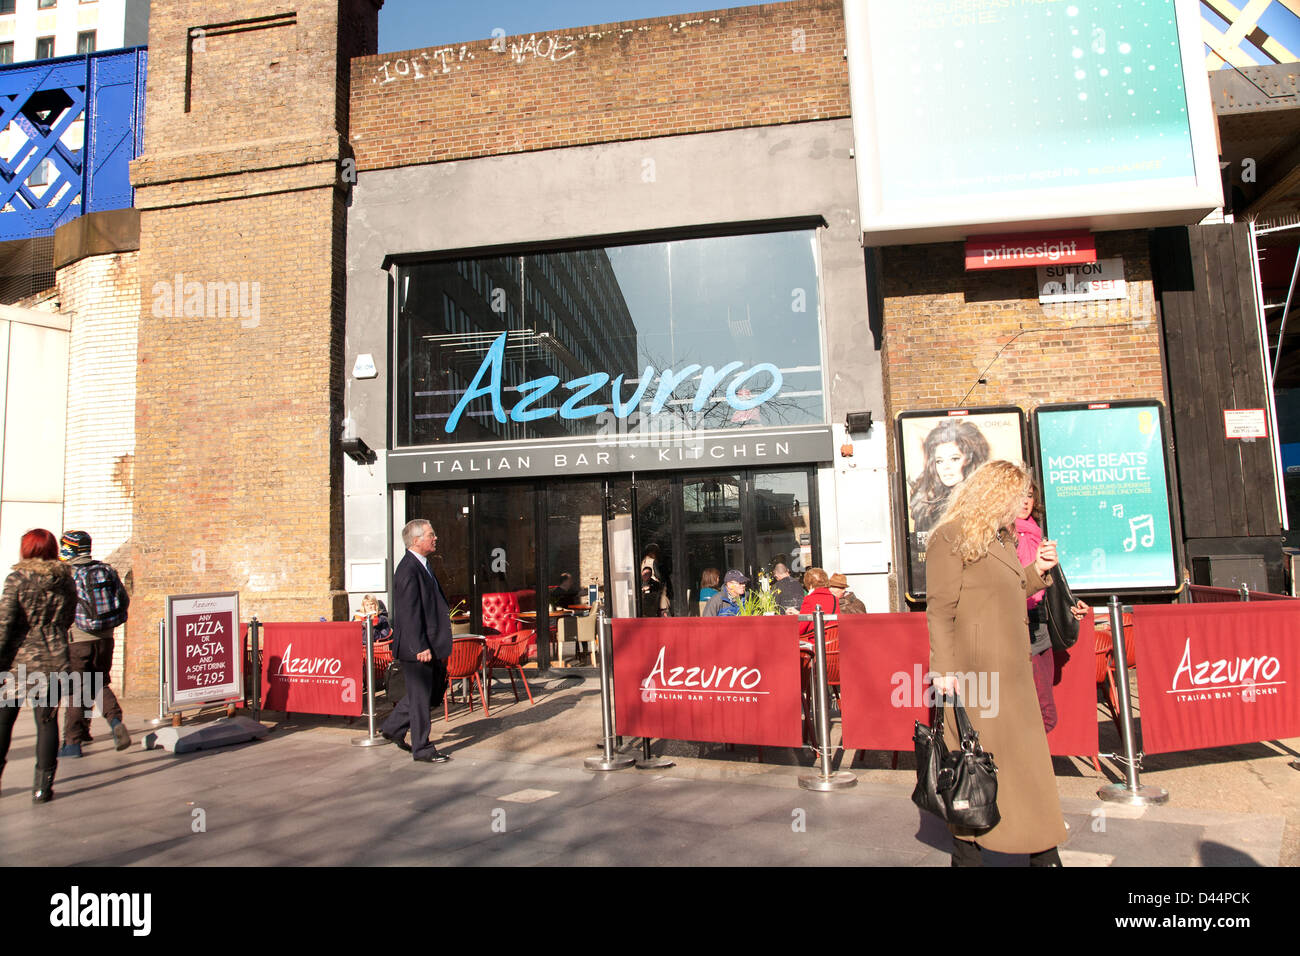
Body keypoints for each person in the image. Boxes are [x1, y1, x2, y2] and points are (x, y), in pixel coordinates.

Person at [925, 460, 1067, 866]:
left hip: (1013, 673)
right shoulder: (951, 537)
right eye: (1015, 496)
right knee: (977, 767)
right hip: (975, 673)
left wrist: (1038, 571)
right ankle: (969, 853)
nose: (1022, 505)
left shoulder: (1002, 538)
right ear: (993, 495)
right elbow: (940, 610)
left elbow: (1010, 588)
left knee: (1026, 771)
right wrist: (946, 673)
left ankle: (1042, 850)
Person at [0, 529, 76, 802]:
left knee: (3, 721)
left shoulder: (17, 579)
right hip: (54, 659)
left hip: (17, 663)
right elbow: (68, 618)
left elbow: (5, 624)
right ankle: (43, 787)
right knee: (46, 722)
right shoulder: (66, 581)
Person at [1015, 482, 1088, 732]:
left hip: (1042, 625)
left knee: (1040, 714)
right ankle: (1011, 768)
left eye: (1029, 495)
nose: (1025, 501)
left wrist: (1070, 603)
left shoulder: (1037, 534)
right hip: (1017, 627)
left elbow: (1053, 583)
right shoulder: (1002, 537)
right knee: (1043, 716)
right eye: (1019, 495)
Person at [380, 519, 453, 764]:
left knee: (425, 694)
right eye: (431, 535)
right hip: (417, 647)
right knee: (421, 698)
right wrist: (419, 646)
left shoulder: (423, 565)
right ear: (416, 540)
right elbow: (408, 613)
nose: (435, 538)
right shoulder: (408, 569)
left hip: (428, 643)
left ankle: (392, 727)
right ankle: (422, 748)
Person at [57, 531, 131, 756]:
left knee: (76, 689)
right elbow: (124, 600)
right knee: (99, 682)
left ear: (69, 548)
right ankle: (115, 722)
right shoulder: (106, 569)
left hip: (78, 640)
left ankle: (72, 743)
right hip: (106, 638)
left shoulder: (68, 574)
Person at [908, 419, 991, 536]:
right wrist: (947, 432)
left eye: (954, 459)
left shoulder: (981, 498)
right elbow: (914, 429)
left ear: (968, 460)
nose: (946, 467)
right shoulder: (925, 493)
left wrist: (958, 434)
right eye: (939, 461)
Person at [797, 568, 841, 637]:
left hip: (815, 643)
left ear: (810, 585)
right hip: (833, 643)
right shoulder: (835, 599)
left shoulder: (809, 599)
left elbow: (800, 629)